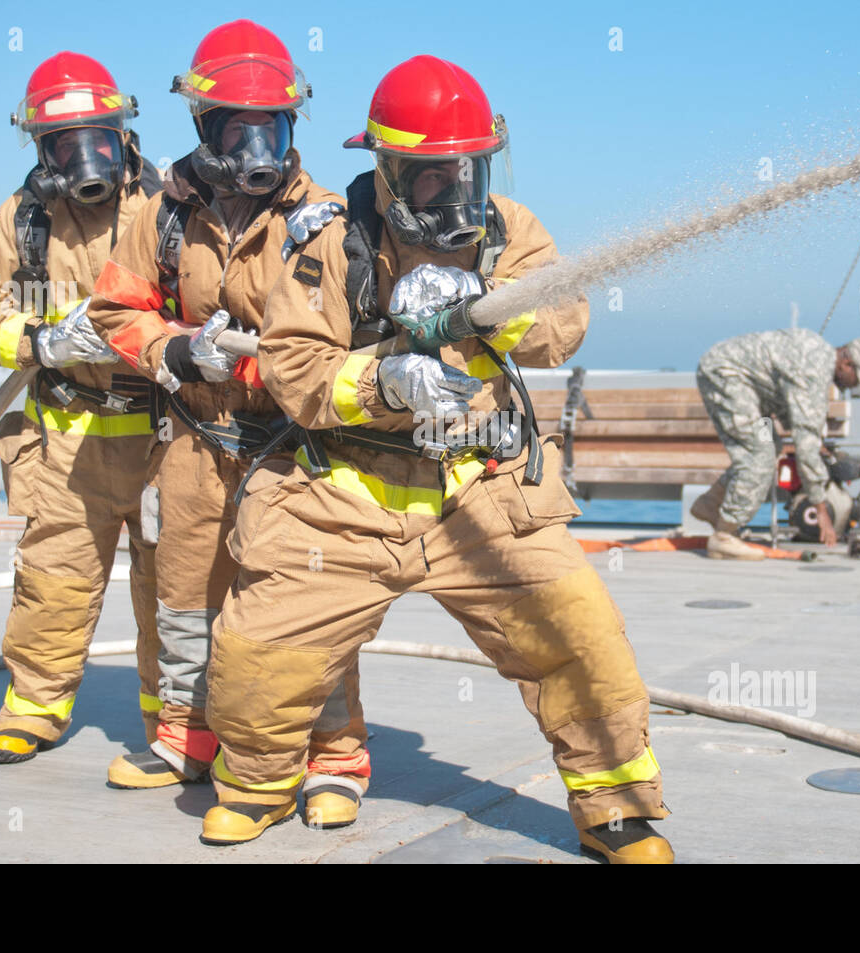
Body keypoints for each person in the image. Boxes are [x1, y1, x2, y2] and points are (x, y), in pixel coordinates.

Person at [200, 55, 674, 864]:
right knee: (254, 661)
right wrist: (386, 377)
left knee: (583, 634)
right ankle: (256, 784)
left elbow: (564, 322)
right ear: (387, 176)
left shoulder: (512, 232)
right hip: (342, 495)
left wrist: (487, 315)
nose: (452, 194)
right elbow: (296, 373)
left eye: (467, 172)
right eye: (429, 180)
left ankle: (618, 809)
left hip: (480, 492)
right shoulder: (328, 248)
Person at [87, 20, 369, 827]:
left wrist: (249, 362)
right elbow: (117, 308)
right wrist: (178, 352)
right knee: (186, 592)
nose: (258, 146)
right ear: (204, 129)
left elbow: (332, 338)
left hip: (291, 447)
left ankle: (333, 751)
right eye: (238, 129)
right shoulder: (165, 215)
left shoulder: (319, 216)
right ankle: (189, 734)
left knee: (301, 596)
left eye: (272, 128)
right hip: (194, 439)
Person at [0, 52, 162, 763]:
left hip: (168, 439)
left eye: (96, 139)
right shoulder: (23, 219)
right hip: (69, 443)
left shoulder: (168, 205)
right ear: (42, 149)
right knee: (54, 580)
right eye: (64, 145)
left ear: (122, 132)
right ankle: (34, 706)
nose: (84, 157)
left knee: (178, 588)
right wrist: (38, 340)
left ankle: (176, 719)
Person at [691, 330, 860, 559]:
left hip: (744, 387)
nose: (852, 386)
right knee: (759, 454)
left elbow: (794, 413)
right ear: (847, 364)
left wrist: (813, 442)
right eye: (856, 379)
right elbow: (805, 446)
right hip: (726, 376)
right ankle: (723, 537)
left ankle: (712, 504)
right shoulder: (815, 372)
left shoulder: (817, 350)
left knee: (772, 446)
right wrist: (821, 508)